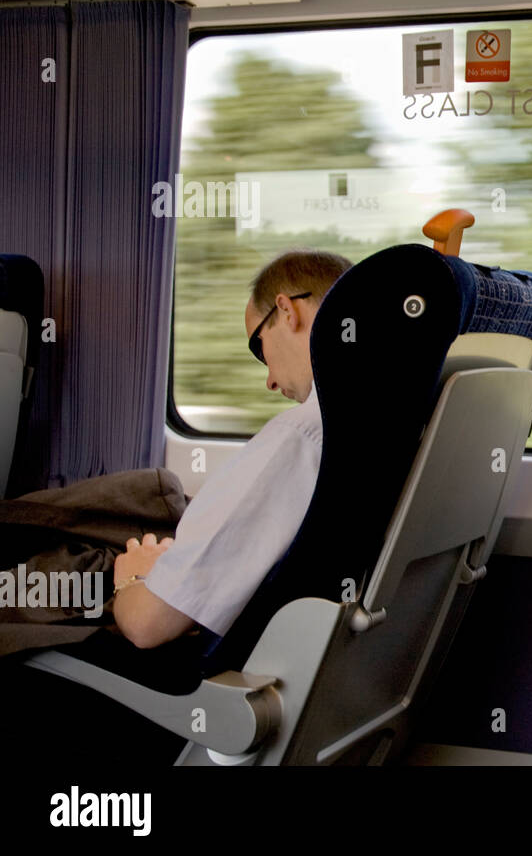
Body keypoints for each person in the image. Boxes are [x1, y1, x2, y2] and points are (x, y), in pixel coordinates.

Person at [112, 249, 352, 648]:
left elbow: (146, 625)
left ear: (287, 311)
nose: (270, 382)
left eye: (260, 349)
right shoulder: (393, 418)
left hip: (224, 677)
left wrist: (132, 577)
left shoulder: (302, 434)